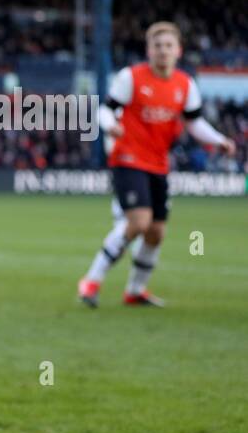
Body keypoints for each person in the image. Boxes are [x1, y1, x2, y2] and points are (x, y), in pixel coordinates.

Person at [77, 21, 236, 308]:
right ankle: (91, 280)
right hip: (128, 158)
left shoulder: (185, 85)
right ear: (148, 50)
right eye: (157, 46)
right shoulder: (131, 78)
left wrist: (218, 140)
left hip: (158, 163)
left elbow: (195, 122)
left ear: (178, 50)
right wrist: (111, 125)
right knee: (139, 222)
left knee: (156, 232)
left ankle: (135, 291)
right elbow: (105, 109)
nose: (163, 51)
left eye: (168, 46)